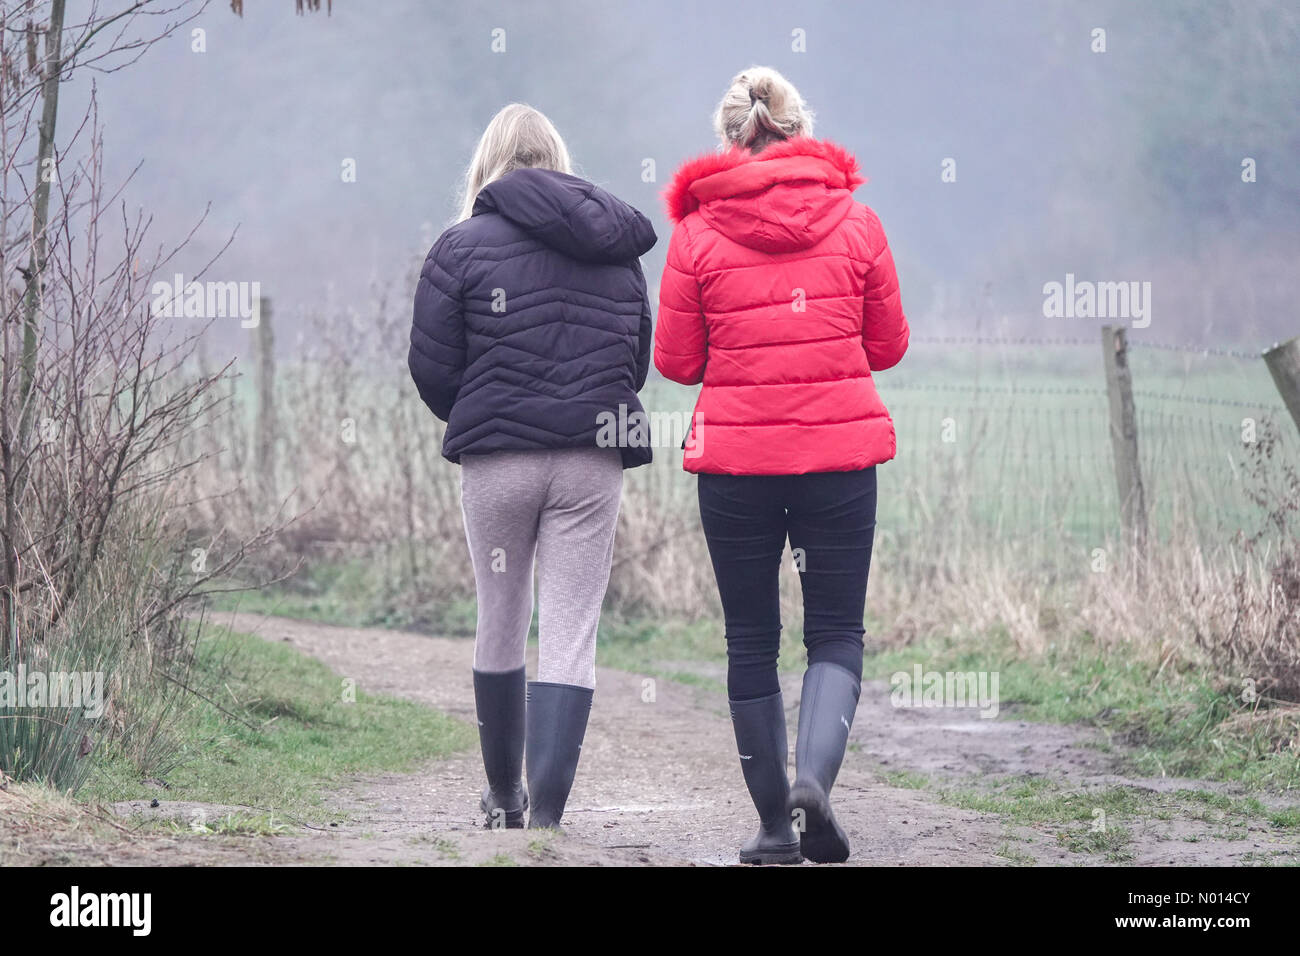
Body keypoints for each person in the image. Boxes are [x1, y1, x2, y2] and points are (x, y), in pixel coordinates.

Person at [655, 67, 908, 864]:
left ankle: (772, 826)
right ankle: (817, 790)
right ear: (798, 128)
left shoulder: (696, 235)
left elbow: (677, 362)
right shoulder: (858, 224)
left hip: (735, 466)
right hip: (838, 459)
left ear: (731, 136)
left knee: (749, 639)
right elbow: (888, 346)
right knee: (834, 633)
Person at [409, 103, 657, 830]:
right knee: (572, 628)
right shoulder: (617, 249)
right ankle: (549, 813)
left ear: (488, 163)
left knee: (501, 616)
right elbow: (633, 362)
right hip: (590, 461)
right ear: (560, 160)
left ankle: (505, 797)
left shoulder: (459, 248)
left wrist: (486, 409)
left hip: (497, 463)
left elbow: (432, 370)